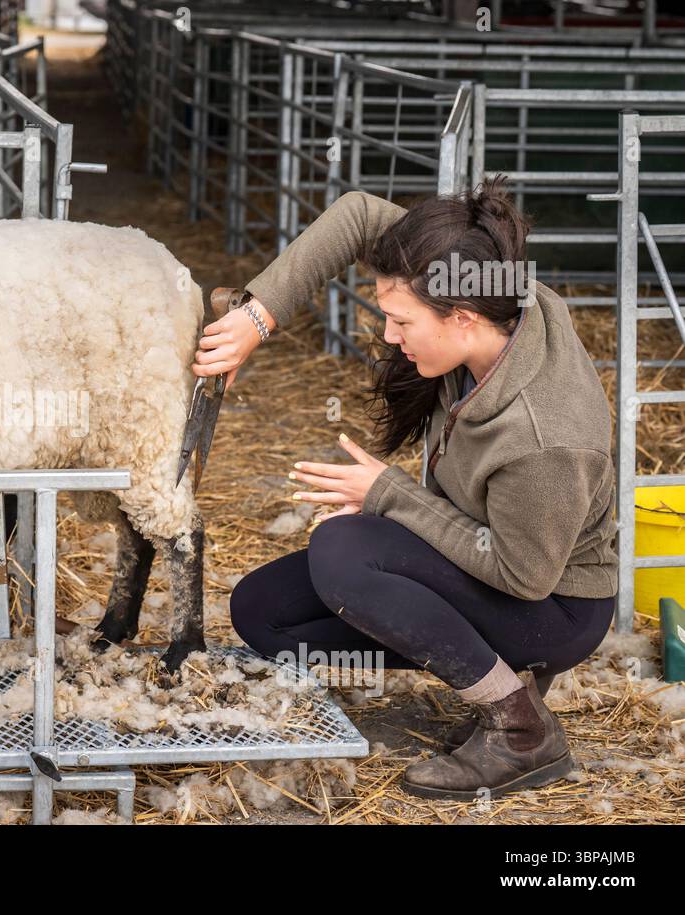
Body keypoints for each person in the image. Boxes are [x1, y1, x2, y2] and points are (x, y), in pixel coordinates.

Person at [192, 177, 616, 800]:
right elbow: (362, 215)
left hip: (551, 609)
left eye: (400, 321)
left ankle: (521, 727)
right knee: (262, 612)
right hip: (483, 552)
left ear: (462, 320)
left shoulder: (545, 437)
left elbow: (521, 575)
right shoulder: (492, 287)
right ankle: (486, 666)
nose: (390, 337)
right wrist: (258, 316)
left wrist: (387, 494)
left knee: (346, 551)